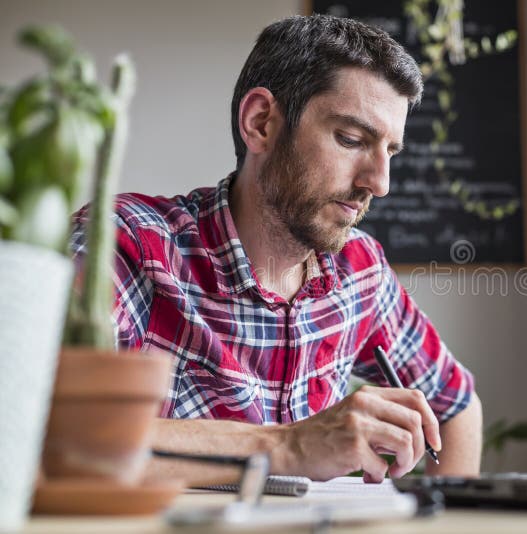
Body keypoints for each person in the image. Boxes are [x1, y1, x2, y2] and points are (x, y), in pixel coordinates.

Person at [70, 14, 482, 484]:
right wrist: (287, 445)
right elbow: (48, 431)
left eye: (390, 152)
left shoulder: (361, 271)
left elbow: (457, 407)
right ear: (261, 122)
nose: (380, 183)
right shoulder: (125, 246)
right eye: (352, 139)